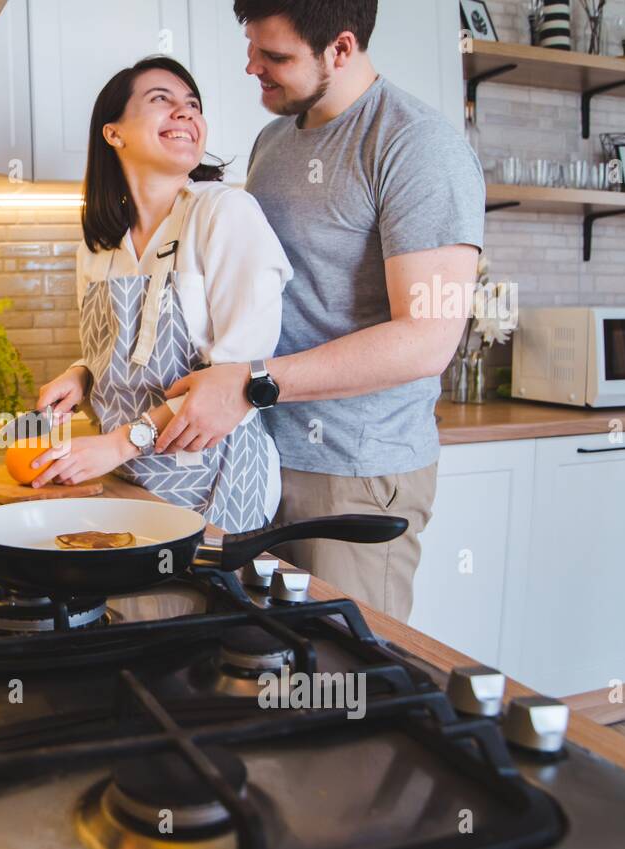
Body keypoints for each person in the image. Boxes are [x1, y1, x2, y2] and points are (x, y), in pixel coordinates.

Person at [152, 0, 484, 621]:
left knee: (342, 679)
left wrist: (253, 385)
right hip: (255, 458)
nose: (252, 67)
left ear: (341, 47)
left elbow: (427, 339)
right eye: (253, 47)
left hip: (353, 474)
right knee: (258, 672)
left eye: (274, 56)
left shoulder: (416, 146)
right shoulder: (274, 140)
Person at [31, 56, 292, 534]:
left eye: (193, 105)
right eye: (162, 101)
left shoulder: (226, 214)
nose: (186, 113)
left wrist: (116, 444)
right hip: (131, 481)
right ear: (114, 134)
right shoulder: (99, 245)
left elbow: (236, 381)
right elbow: (121, 351)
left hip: (219, 488)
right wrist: (82, 374)